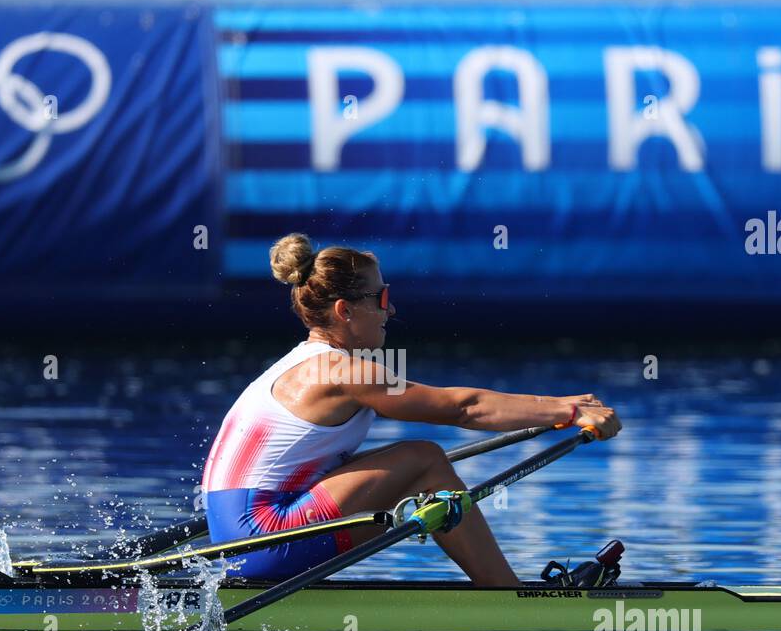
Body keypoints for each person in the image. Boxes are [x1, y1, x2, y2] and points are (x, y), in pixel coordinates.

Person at [201, 233, 621, 586]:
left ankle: (503, 592)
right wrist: (565, 409)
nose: (392, 309)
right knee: (424, 459)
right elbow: (464, 409)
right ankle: (511, 598)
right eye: (382, 298)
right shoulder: (340, 370)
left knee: (415, 473)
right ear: (344, 311)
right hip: (262, 541)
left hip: (245, 543)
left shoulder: (298, 364)